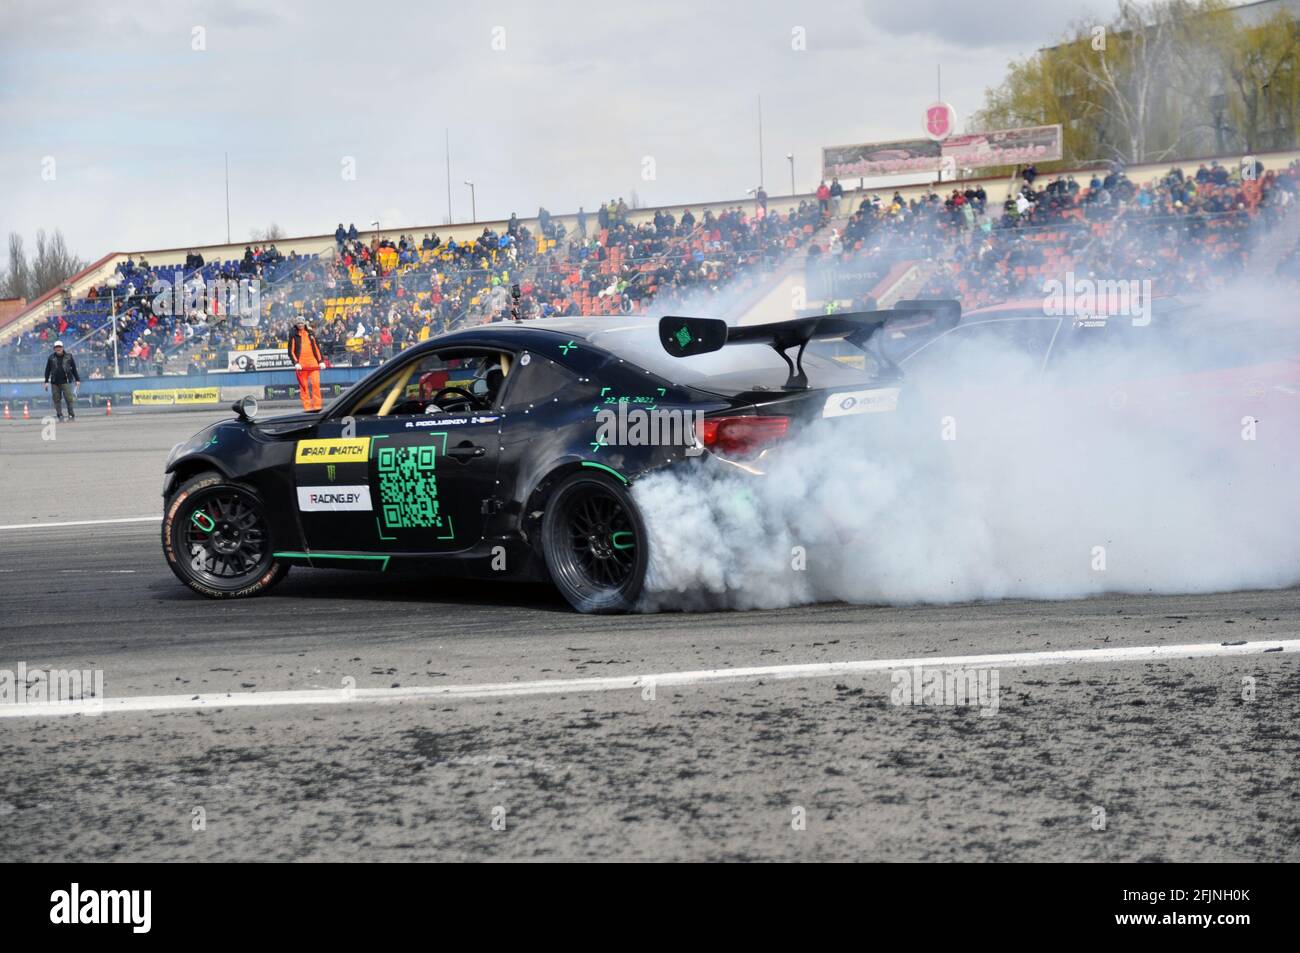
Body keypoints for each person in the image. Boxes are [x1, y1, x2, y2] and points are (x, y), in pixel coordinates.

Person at [287, 316, 323, 412]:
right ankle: (307, 409)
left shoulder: (310, 333)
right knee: (304, 388)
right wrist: (296, 363)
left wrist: (321, 361)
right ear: (296, 324)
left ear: (304, 323)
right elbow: (291, 351)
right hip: (301, 366)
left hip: (313, 364)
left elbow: (316, 348)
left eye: (302, 323)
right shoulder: (293, 335)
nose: (300, 325)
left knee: (316, 385)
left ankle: (317, 407)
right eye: (298, 323)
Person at [44, 340, 81, 421]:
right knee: (56, 399)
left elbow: (74, 369)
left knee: (69, 399)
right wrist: (46, 381)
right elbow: (47, 370)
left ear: (62, 347)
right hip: (54, 382)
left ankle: (71, 414)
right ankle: (59, 415)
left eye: (59, 347)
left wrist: (77, 379)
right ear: (54, 349)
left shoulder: (69, 356)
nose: (58, 349)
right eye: (56, 347)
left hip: (66, 381)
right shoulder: (51, 358)